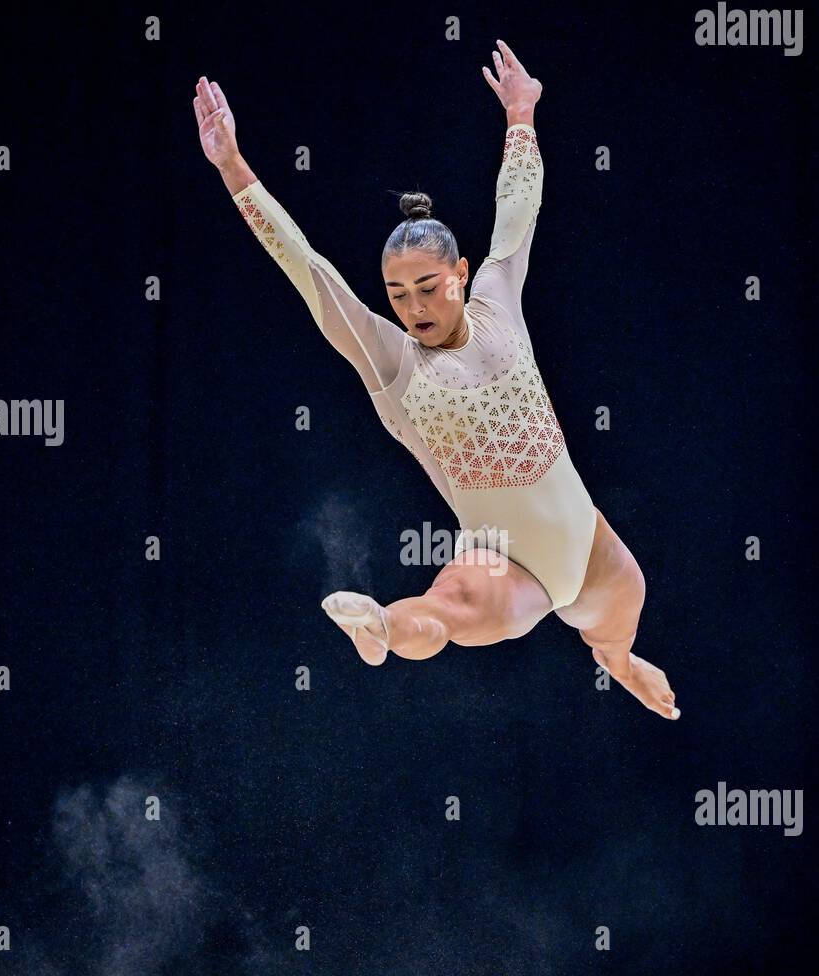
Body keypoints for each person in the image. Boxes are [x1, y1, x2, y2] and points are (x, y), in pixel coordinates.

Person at [193, 42, 678, 720]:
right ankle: (381, 628)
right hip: (505, 562)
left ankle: (620, 662)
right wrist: (234, 167)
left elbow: (519, 204)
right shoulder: (394, 366)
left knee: (620, 618)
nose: (413, 308)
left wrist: (521, 114)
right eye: (397, 295)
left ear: (460, 273)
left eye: (427, 287)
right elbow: (307, 269)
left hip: (588, 539)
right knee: (448, 610)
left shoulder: (498, 297)